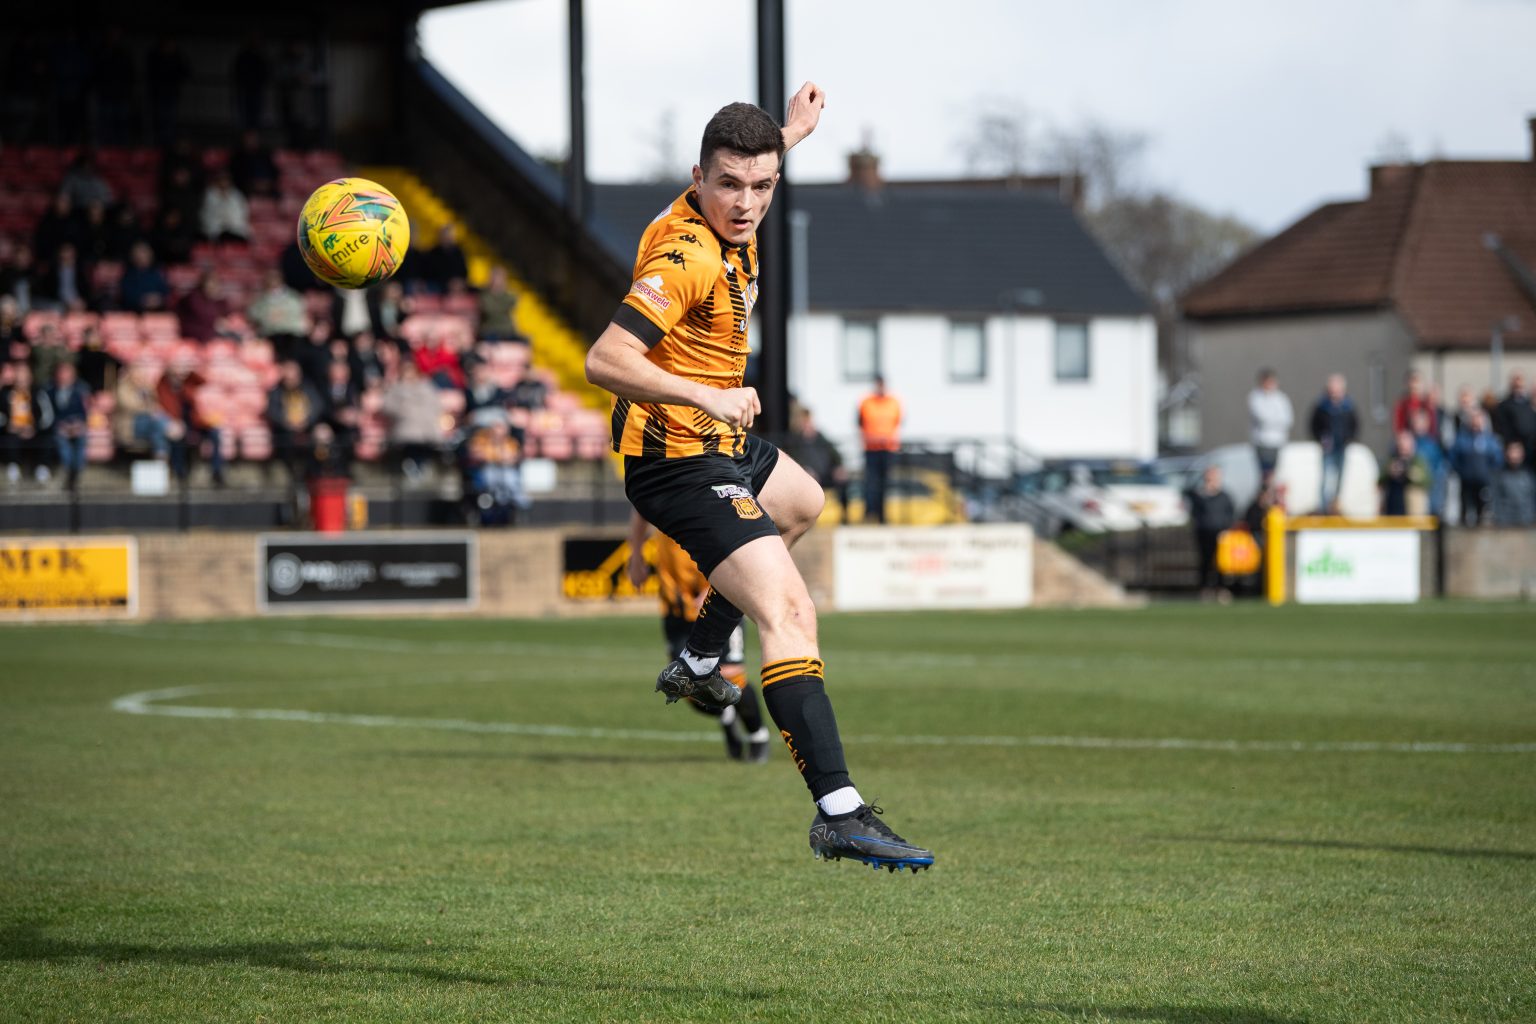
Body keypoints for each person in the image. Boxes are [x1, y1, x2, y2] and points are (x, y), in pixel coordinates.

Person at [583, 84, 933, 871]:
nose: (746, 204)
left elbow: (750, 159)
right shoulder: (687, 255)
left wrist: (790, 132)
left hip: (721, 440)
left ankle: (706, 646)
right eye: (730, 185)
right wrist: (706, 392)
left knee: (804, 501)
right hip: (676, 457)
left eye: (763, 185)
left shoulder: (729, 195)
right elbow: (604, 359)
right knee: (789, 612)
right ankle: (838, 811)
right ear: (697, 179)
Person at [626, 510, 771, 762]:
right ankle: (726, 717)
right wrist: (636, 555)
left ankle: (758, 736)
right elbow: (641, 512)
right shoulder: (659, 484)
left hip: (721, 598)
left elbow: (734, 540)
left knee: (731, 674)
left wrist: (714, 587)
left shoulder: (709, 487)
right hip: (677, 606)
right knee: (683, 682)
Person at [1184, 464, 1236, 601]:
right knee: (1205, 562)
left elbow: (1230, 514)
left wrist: (1226, 529)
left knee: (1221, 563)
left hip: (1220, 534)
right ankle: (1205, 589)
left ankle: (1221, 589)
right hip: (1203, 532)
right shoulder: (1199, 495)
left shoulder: (1224, 496)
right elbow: (1193, 510)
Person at [1308, 373, 1357, 513]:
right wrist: (1319, 438)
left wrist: (1349, 438)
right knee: (1326, 479)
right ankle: (1324, 509)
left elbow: (1355, 425)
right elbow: (1313, 425)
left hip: (1341, 447)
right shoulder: (1322, 406)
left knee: (1340, 479)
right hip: (1327, 449)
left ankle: (1336, 506)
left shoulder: (1348, 406)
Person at [1, 361, 55, 483]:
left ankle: (42, 468)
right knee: (9, 440)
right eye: (18, 376)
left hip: (34, 431)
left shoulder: (39, 393)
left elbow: (48, 416)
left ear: (30, 377)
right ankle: (13, 467)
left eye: (24, 376)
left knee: (46, 440)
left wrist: (34, 427)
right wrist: (7, 425)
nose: (21, 381)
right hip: (12, 431)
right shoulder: (5, 393)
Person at [857, 375, 901, 524]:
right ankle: (869, 513)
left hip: (888, 449)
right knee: (870, 483)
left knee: (884, 483)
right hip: (871, 449)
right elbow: (860, 423)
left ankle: (882, 516)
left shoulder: (893, 402)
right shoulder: (866, 402)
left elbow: (897, 422)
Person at [1450, 408, 1503, 526]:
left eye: (1479, 419)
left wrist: (1489, 473)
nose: (1476, 422)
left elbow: (1497, 459)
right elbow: (1453, 457)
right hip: (1466, 480)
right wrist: (1461, 471)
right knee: (1465, 508)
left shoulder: (1490, 439)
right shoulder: (1462, 438)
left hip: (1483, 481)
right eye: (1474, 419)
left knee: (1482, 510)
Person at [1247, 367, 1292, 482]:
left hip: (1277, 442)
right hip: (1262, 442)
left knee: (1274, 475)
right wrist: (1276, 420)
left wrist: (1273, 421)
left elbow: (1287, 420)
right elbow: (1262, 418)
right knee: (1264, 475)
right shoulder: (1255, 397)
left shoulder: (1281, 398)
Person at [1492, 371, 1536, 473]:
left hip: (1530, 448)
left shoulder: (1529, 404)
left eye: (1520, 386)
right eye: (1516, 386)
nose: (1518, 388)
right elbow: (1502, 426)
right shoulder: (1504, 405)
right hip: (1513, 448)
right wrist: (1513, 445)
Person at [1379, 429, 1429, 516]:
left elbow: (1428, 482)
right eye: (1401, 442)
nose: (1403, 446)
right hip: (1392, 509)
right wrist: (1390, 472)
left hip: (1412, 511)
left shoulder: (1418, 461)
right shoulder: (1392, 460)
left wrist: (1411, 473)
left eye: (1406, 442)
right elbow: (1379, 480)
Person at [1491, 441, 1536, 526]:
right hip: (1505, 523)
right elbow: (1495, 499)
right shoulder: (1499, 476)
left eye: (1517, 452)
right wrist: (1499, 518)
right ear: (1506, 454)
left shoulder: (1529, 475)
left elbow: (1532, 498)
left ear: (1523, 455)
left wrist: (1531, 517)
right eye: (1512, 452)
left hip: (1525, 521)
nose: (1514, 456)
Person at [1392, 369, 1438, 438]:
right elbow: (1399, 428)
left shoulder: (1426, 404)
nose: (1415, 385)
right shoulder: (1402, 405)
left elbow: (1433, 429)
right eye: (1412, 381)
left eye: (1417, 381)